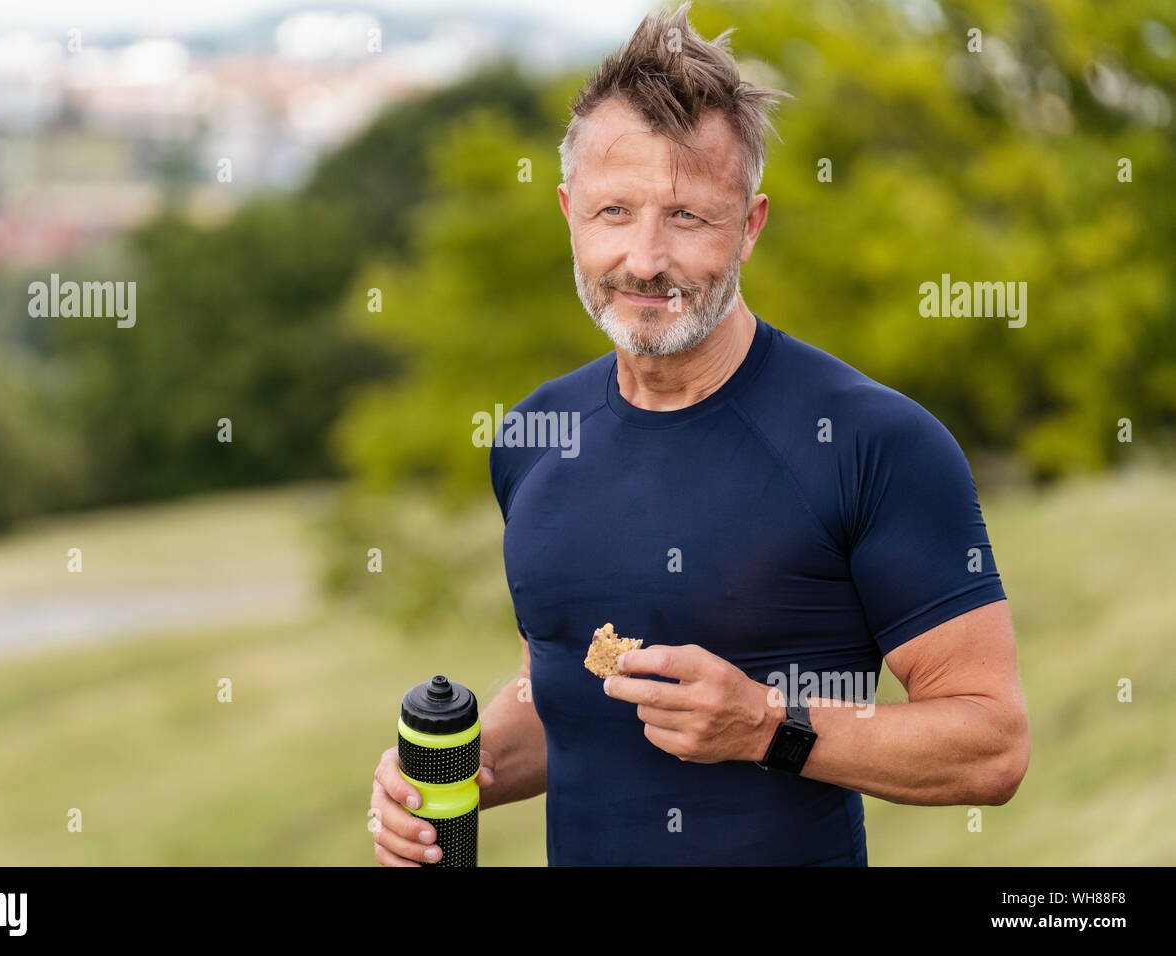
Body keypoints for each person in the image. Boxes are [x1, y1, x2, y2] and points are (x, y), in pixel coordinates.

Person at [371, 2, 1029, 866]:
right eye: (615, 212)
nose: (645, 259)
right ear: (570, 212)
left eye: (687, 217)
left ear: (750, 225)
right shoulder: (535, 434)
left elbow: (992, 744)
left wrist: (765, 724)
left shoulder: (875, 444)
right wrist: (461, 768)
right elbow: (561, 692)